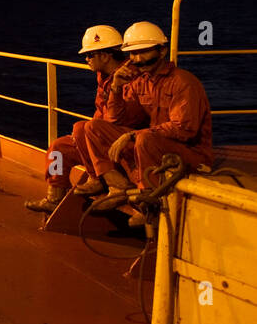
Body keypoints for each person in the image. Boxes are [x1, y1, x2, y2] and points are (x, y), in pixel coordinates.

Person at [82, 22, 213, 216]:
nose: (137, 59)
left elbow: (185, 130)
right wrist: (116, 90)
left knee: (144, 138)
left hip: (191, 153)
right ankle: (117, 188)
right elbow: (116, 121)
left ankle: (148, 206)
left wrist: (133, 135)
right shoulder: (142, 82)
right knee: (92, 127)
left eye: (143, 52)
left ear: (162, 51)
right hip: (155, 146)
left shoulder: (183, 82)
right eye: (133, 54)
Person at [24, 26, 147, 213]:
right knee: (58, 149)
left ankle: (99, 179)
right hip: (96, 138)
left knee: (83, 128)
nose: (86, 59)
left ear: (106, 56)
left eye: (90, 55)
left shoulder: (129, 78)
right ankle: (54, 197)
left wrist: (89, 132)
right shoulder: (104, 77)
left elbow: (121, 121)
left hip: (117, 142)